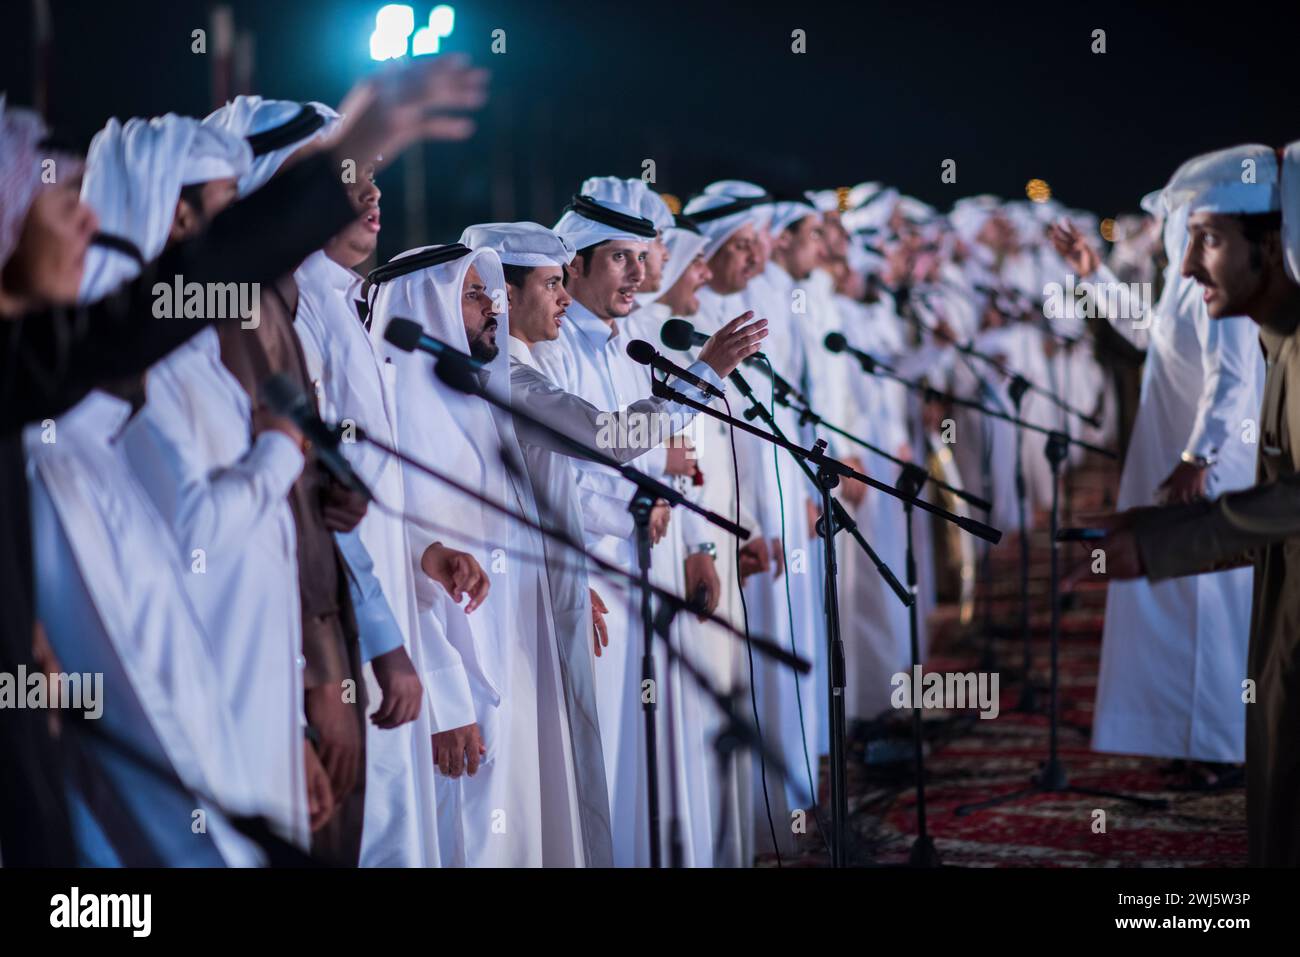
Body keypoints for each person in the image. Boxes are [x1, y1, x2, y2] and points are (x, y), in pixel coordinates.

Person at [0, 54, 490, 864]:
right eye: (59, 205)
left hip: (207, 715)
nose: (85, 221)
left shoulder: (84, 377)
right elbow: (174, 294)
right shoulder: (63, 382)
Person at [465, 218, 765, 866]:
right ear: (505, 295)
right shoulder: (511, 377)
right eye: (551, 284)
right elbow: (607, 436)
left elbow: (559, 488)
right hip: (522, 604)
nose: (564, 296)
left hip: (559, 587)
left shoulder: (521, 367)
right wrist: (704, 373)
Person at [1094, 142, 1300, 865]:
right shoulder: (1249, 322)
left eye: (1205, 238)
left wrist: (1176, 514)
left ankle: (1213, 743)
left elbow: (1294, 495)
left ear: (1270, 247)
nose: (1184, 261)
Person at [1052, 199, 1260, 780]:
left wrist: (1201, 454)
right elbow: (1148, 334)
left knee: (1210, 610)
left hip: (1206, 470)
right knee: (1177, 608)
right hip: (1175, 465)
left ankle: (1224, 749)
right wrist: (1093, 271)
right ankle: (1193, 740)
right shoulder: (1184, 287)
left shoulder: (1224, 292)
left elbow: (1234, 378)